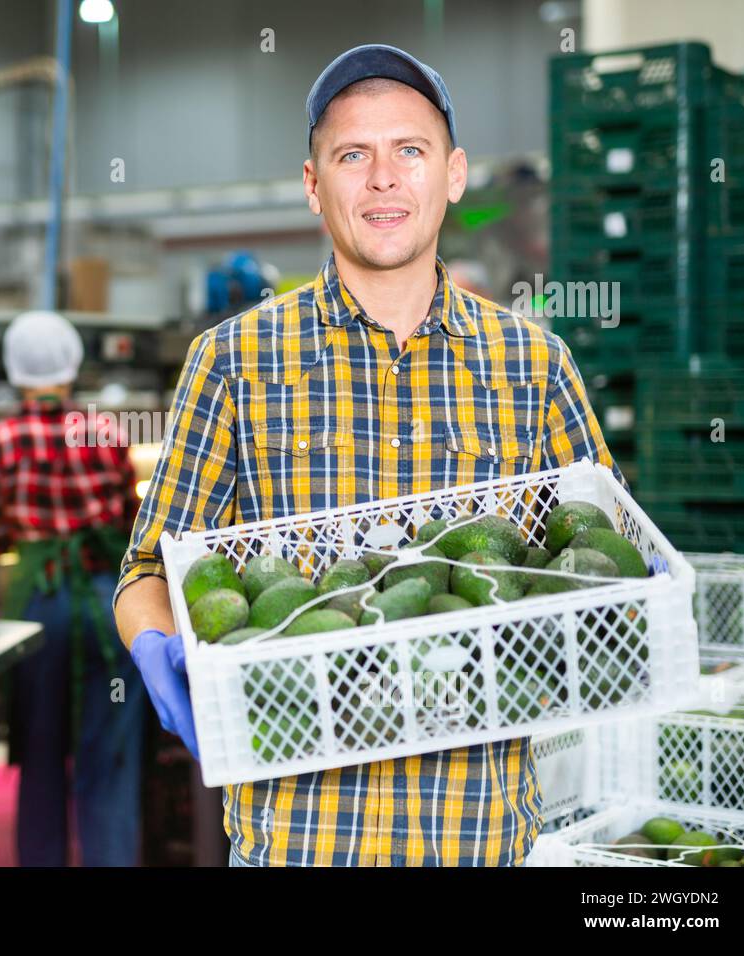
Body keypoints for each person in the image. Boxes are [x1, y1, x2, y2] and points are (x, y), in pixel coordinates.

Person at [114, 44, 621, 867]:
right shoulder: (233, 360)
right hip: (298, 844)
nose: (383, 178)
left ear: (452, 174)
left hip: (483, 841)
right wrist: (155, 648)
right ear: (315, 186)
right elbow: (146, 569)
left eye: (409, 151)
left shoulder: (534, 365)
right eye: (353, 155)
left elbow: (595, 555)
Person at [0, 310, 146, 866]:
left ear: (14, 372)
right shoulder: (109, 433)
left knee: (41, 747)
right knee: (110, 750)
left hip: (38, 607)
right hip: (107, 605)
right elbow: (131, 521)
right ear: (72, 368)